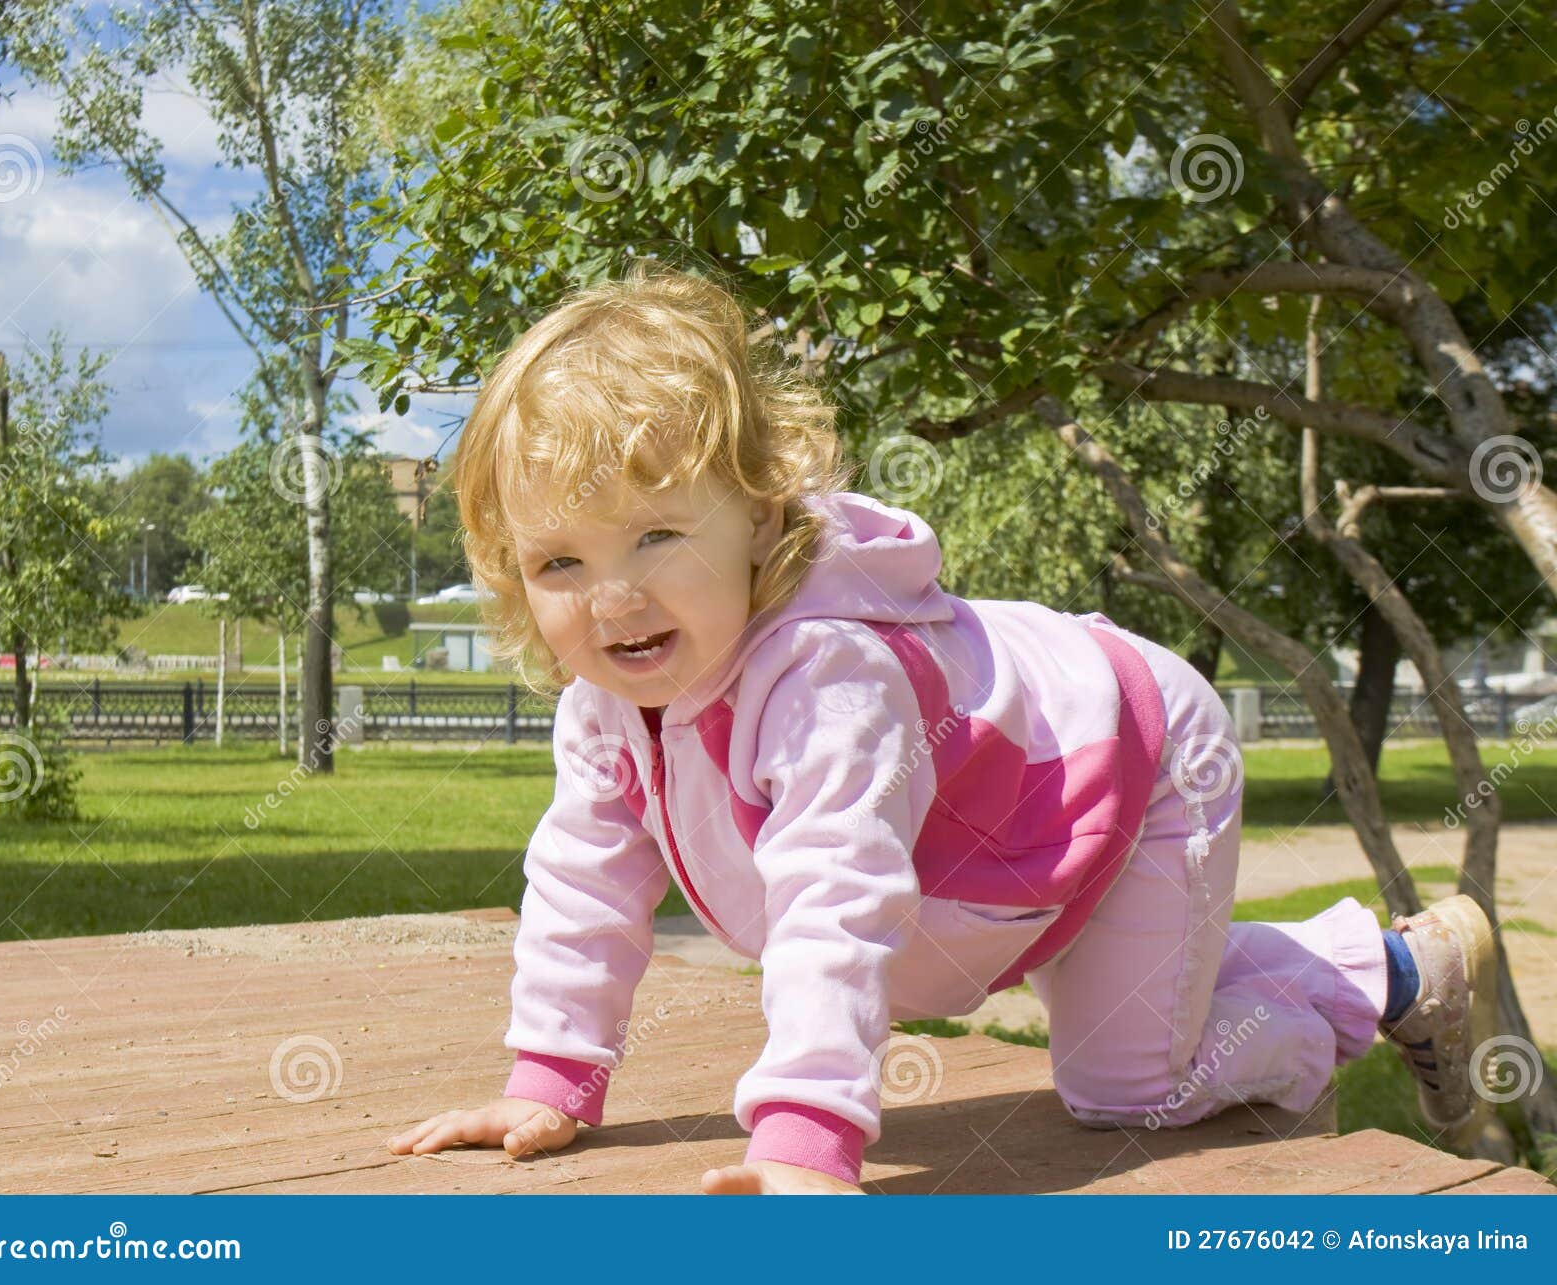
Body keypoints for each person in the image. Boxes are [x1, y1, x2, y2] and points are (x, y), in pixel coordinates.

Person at [385, 262, 1498, 1194]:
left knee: (1126, 1090)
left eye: (657, 536)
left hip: (1131, 758)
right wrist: (550, 1081)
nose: (611, 596)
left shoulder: (826, 677)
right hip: (1005, 844)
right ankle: (1350, 959)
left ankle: (1394, 977)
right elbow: (583, 883)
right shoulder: (606, 703)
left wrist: (808, 1137)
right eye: (558, 561)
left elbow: (834, 889)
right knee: (1133, 1015)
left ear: (760, 518)